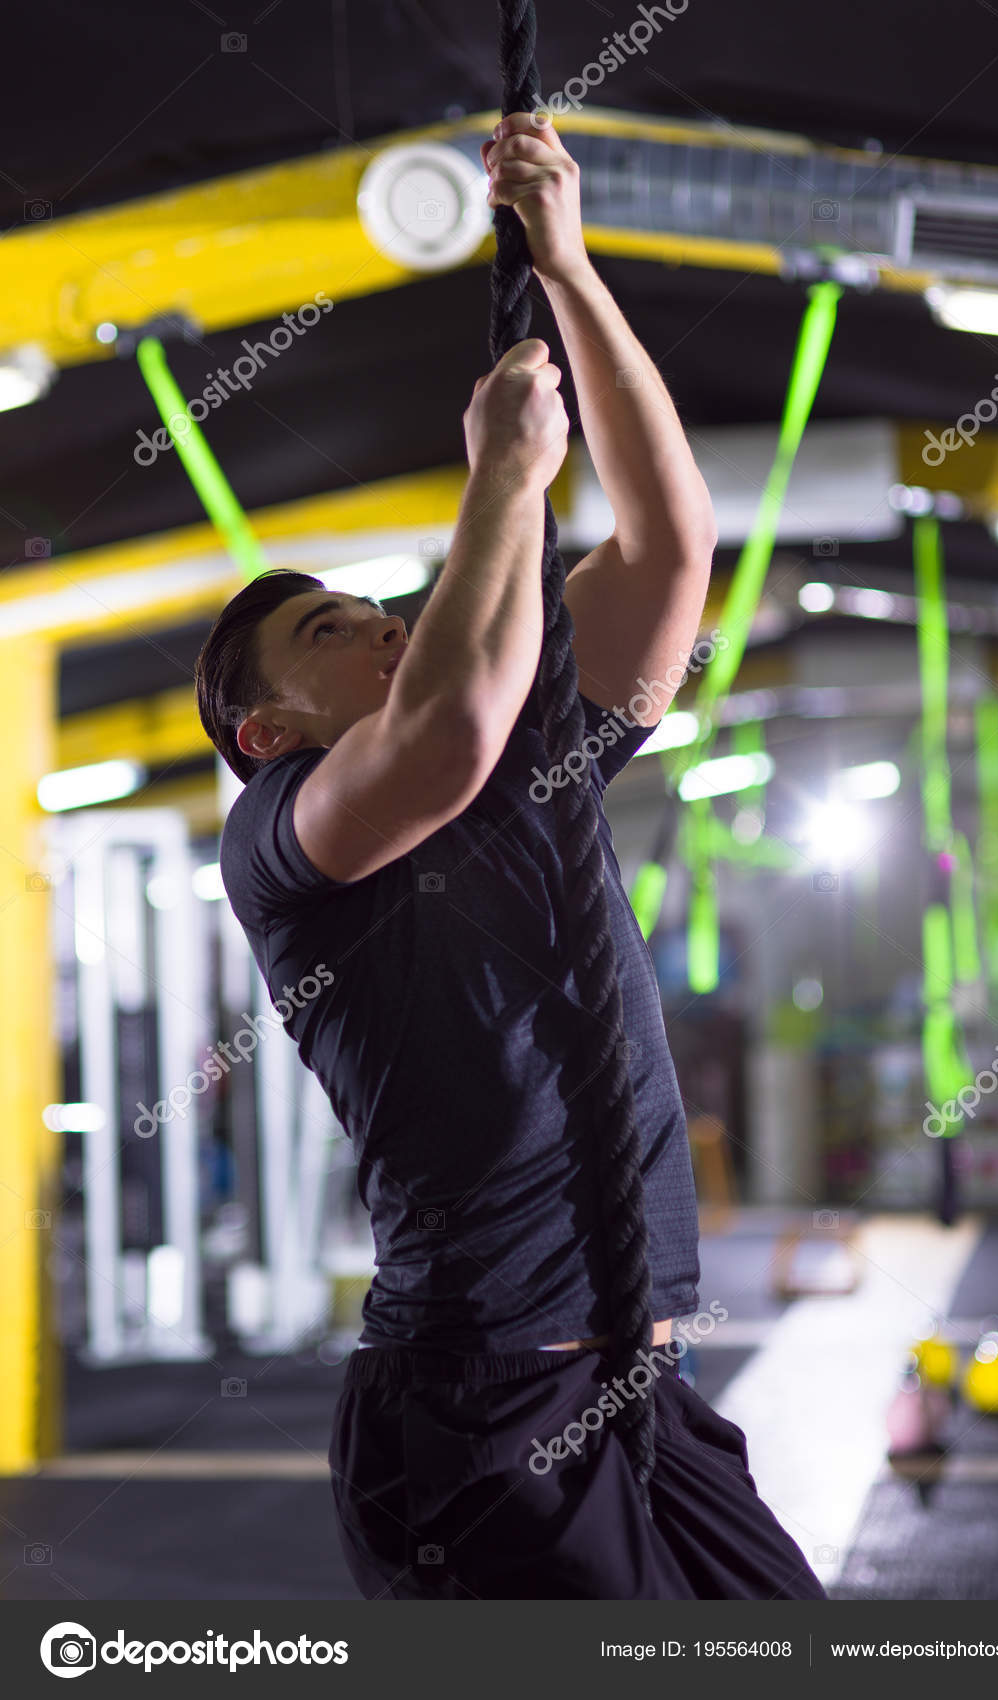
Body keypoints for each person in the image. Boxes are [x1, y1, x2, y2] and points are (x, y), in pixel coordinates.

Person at [197, 111, 825, 1601]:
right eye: (333, 632)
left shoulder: (521, 766)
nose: (382, 628)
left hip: (643, 1385)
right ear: (268, 731)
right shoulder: (285, 839)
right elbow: (442, 734)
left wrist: (572, 273)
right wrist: (503, 481)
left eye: (382, 613)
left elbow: (669, 551)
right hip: (479, 1408)